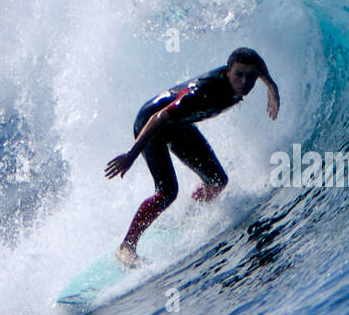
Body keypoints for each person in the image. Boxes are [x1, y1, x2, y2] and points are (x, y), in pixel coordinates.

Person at [104, 47, 279, 267]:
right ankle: (126, 247)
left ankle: (189, 217)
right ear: (228, 72)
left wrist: (272, 88)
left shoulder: (248, 75)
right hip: (152, 124)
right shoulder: (202, 93)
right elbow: (159, 118)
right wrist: (131, 154)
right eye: (239, 75)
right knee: (167, 192)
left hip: (178, 125)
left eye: (250, 76)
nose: (244, 81)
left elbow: (259, 67)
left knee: (217, 180)